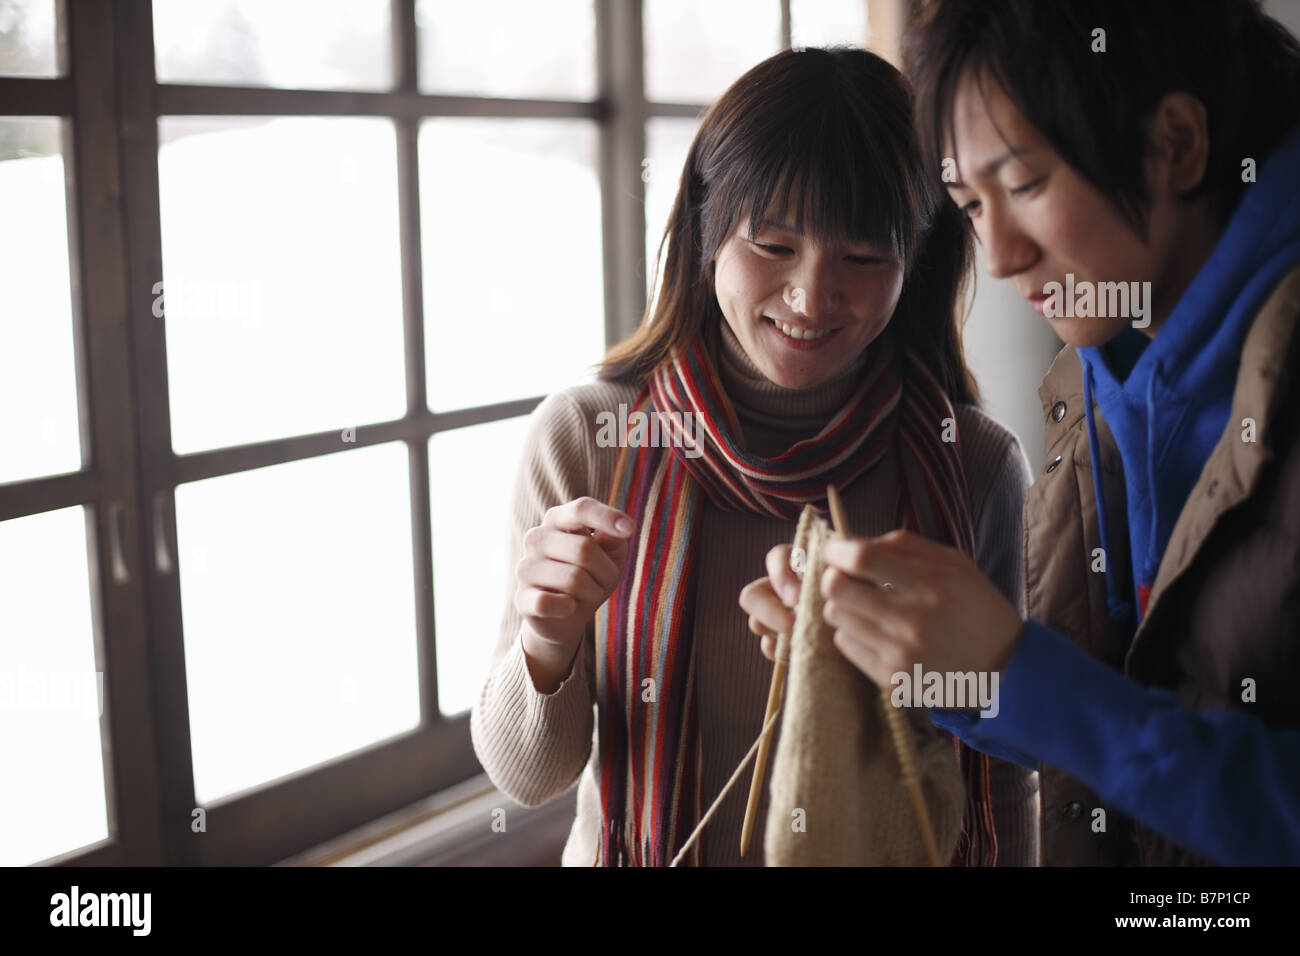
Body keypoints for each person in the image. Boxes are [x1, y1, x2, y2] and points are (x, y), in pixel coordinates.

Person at [751, 0, 1300, 865]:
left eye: (1026, 184)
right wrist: (915, 660)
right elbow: (1119, 735)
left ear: (1178, 145)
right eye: (969, 204)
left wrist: (1020, 672)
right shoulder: (1108, 370)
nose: (1000, 257)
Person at [471, 45, 1040, 866]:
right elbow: (527, 776)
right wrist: (546, 642)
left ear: (915, 263)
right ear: (706, 232)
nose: (813, 297)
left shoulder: (973, 465)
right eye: (773, 246)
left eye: (864, 258)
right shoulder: (588, 440)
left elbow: (1003, 766)